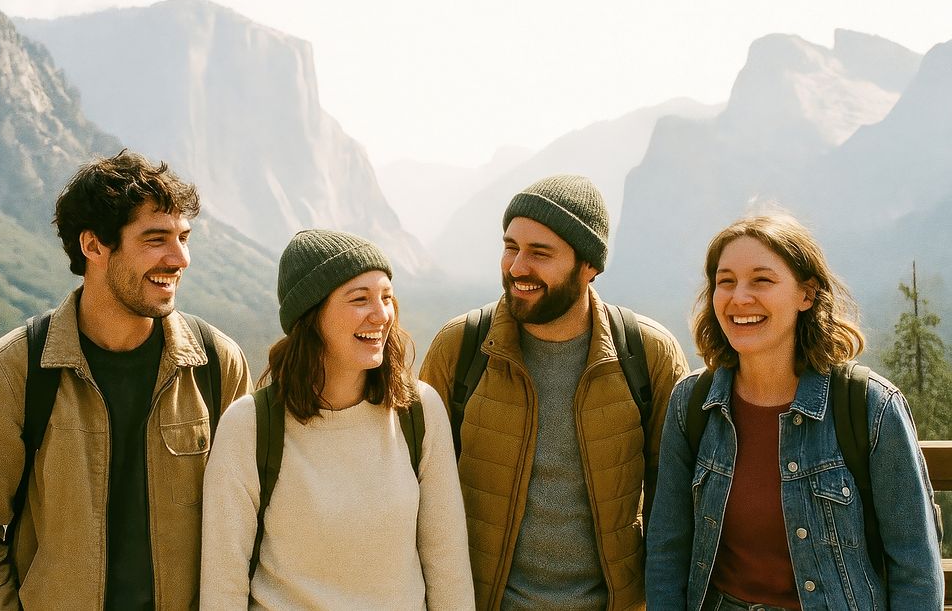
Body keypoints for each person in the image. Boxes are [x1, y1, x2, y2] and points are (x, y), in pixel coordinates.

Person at [0, 150, 253, 609]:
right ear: (93, 246)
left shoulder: (216, 363)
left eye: (183, 237)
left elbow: (248, 523)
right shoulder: (14, 370)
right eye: (156, 239)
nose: (180, 258)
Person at [646, 214, 944, 610]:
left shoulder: (870, 405)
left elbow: (915, 566)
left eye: (762, 280)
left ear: (806, 294)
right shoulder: (692, 403)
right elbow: (667, 550)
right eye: (726, 281)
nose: (740, 297)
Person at [420, 174, 689, 610]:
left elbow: (675, 511)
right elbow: (419, 495)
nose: (517, 267)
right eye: (511, 247)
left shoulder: (648, 354)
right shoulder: (461, 346)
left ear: (589, 267)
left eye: (540, 253)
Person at [200, 229, 473, 609]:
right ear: (311, 317)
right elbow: (222, 586)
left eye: (387, 297)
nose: (381, 315)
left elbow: (448, 567)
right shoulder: (249, 425)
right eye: (360, 299)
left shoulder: (419, 410)